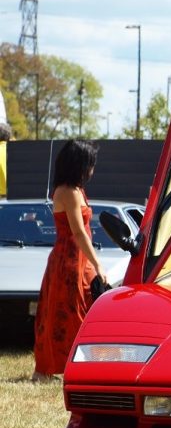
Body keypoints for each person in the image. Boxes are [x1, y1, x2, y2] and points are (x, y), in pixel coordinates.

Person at [32, 139, 106, 382]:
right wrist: (98, 264)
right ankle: (52, 368)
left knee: (81, 307)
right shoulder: (68, 192)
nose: (92, 170)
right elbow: (78, 232)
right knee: (67, 311)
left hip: (78, 258)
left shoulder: (77, 191)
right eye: (90, 164)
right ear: (79, 165)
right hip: (69, 259)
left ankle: (76, 364)